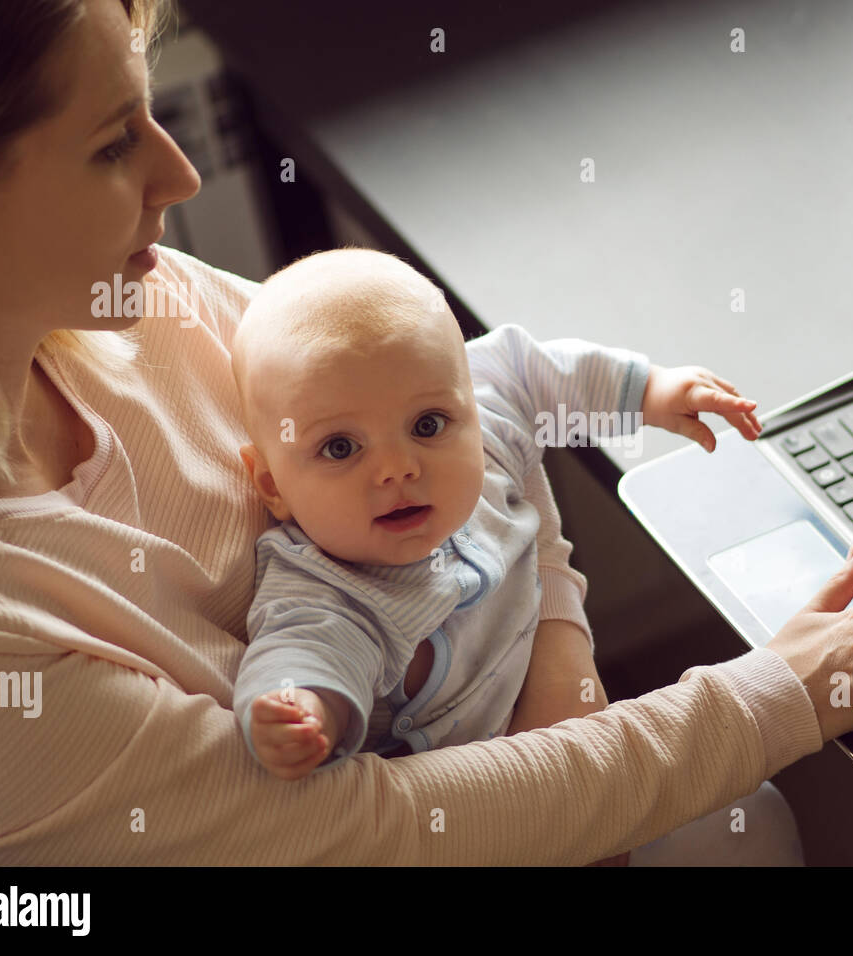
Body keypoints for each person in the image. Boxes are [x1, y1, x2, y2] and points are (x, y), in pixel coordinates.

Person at [0, 0, 853, 866]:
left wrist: (554, 632)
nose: (178, 177)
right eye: (112, 142)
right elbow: (375, 829)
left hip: (472, 755)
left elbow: (458, 418)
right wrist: (776, 696)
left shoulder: (132, 300)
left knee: (740, 818)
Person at [229, 248, 763, 789]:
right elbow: (302, 648)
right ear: (273, 485)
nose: (398, 469)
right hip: (487, 807)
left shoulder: (486, 425)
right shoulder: (326, 590)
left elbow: (529, 370)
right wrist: (301, 710)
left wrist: (653, 391)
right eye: (341, 447)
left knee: (761, 811)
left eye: (428, 424)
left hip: (581, 743)